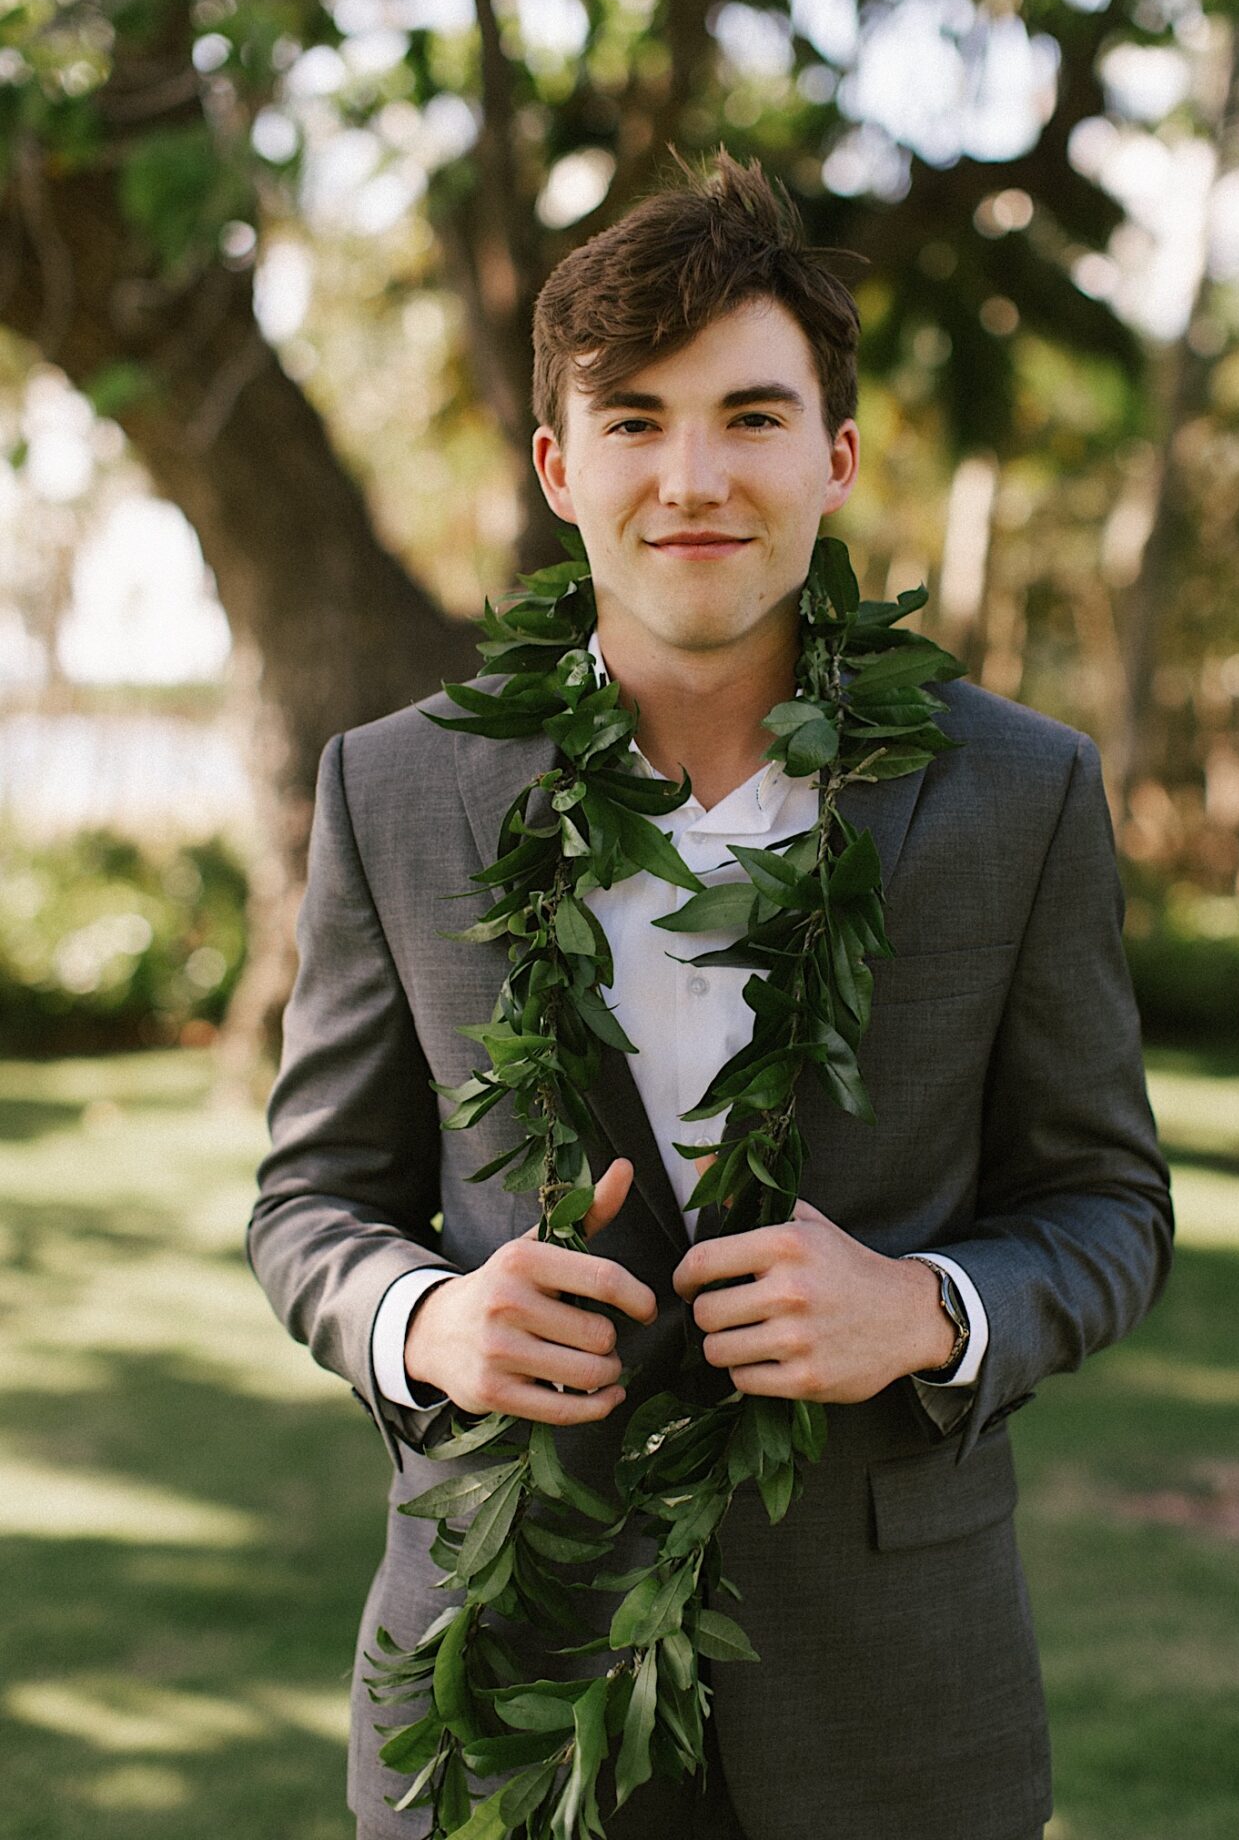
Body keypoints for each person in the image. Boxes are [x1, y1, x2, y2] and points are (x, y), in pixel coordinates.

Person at [247, 151, 1173, 1840]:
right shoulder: (394, 793)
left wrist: (931, 1310)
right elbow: (311, 1200)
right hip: (502, 1690)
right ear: (556, 466)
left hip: (898, 1708)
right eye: (634, 420)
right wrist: (421, 1320)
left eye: (749, 418)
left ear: (833, 458)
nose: (692, 477)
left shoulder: (1017, 795)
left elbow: (1109, 1205)